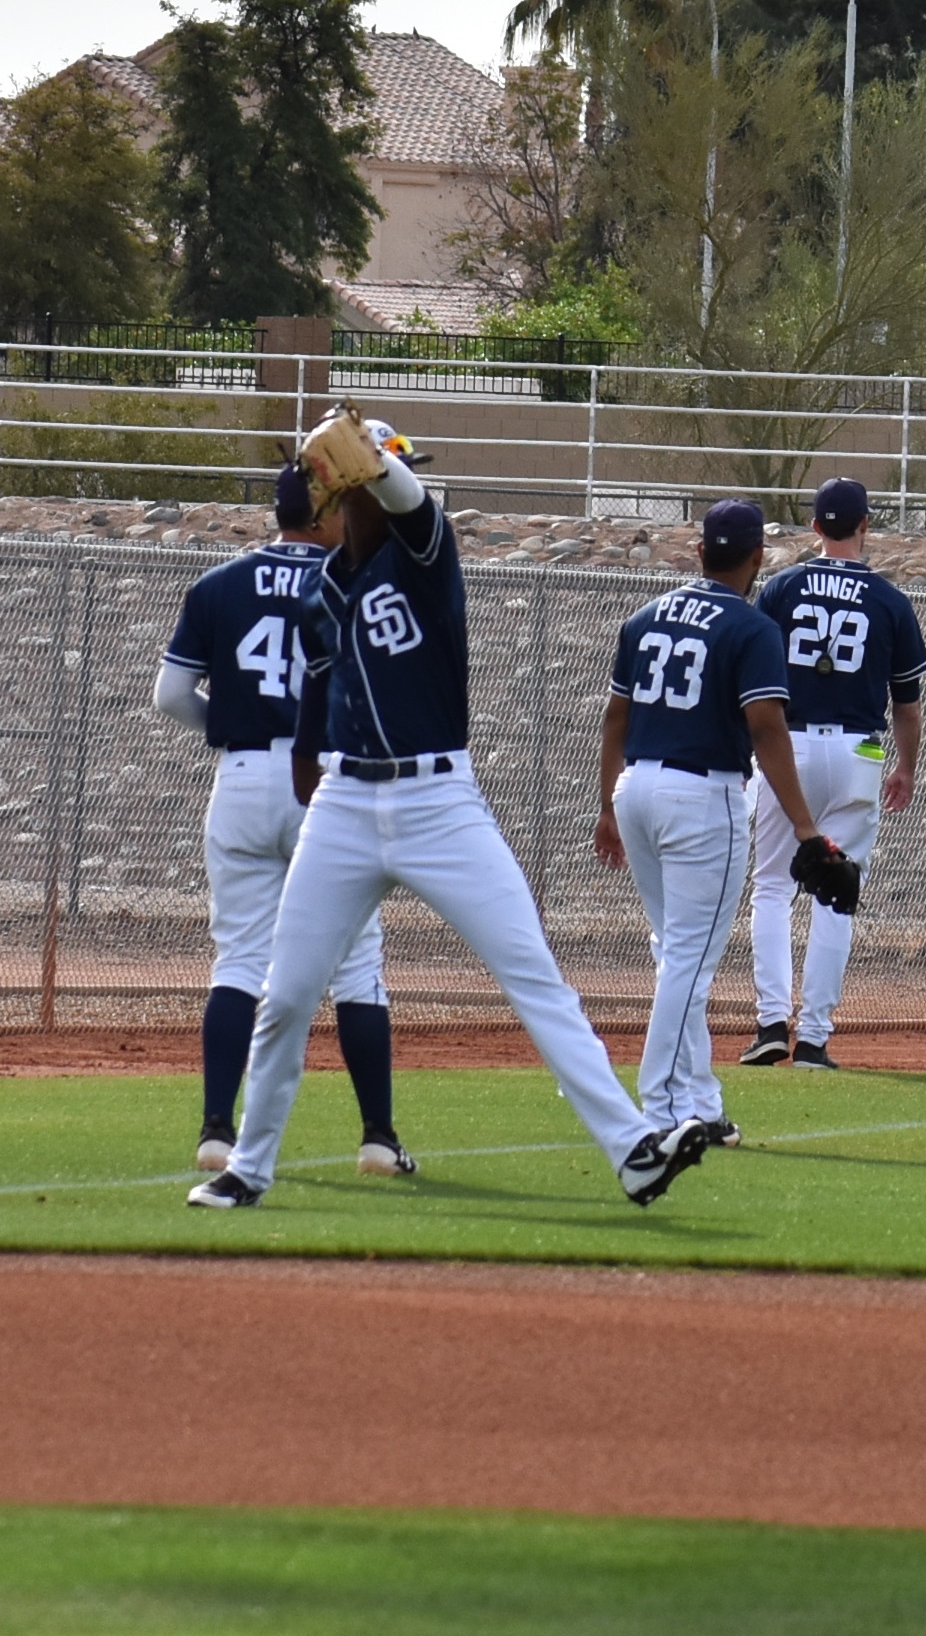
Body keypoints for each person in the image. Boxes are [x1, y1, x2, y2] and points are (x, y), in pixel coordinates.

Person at [186, 408, 718, 1209]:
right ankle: (247, 1167)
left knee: (532, 972)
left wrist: (375, 460)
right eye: (375, 471)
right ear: (340, 497)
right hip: (346, 800)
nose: (395, 483)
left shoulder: (428, 556)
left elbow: (414, 504)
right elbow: (317, 694)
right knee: (289, 991)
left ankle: (635, 1150)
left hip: (441, 799)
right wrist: (302, 761)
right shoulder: (325, 590)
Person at [155, 461, 401, 1176]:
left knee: (238, 959)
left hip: (242, 777)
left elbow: (170, 694)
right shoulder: (356, 584)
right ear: (325, 512)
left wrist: (229, 727)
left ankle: (214, 1130)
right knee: (356, 962)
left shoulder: (218, 584)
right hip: (329, 780)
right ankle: (377, 1137)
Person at [598, 498, 852, 1134]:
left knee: (675, 955)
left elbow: (615, 718)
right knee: (688, 961)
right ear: (757, 557)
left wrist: (605, 806)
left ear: (700, 551)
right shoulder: (751, 627)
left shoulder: (646, 615)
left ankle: (702, 1105)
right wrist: (803, 826)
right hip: (700, 799)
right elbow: (766, 727)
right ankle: (660, 1110)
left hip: (635, 791)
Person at [743, 477, 926, 1069]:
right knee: (837, 893)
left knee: (773, 885)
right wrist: (906, 766)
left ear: (815, 527)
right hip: (858, 753)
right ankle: (815, 1038)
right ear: (864, 526)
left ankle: (772, 1021)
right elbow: (907, 703)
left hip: (787, 746)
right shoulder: (889, 600)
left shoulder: (780, 587)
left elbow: (754, 685)